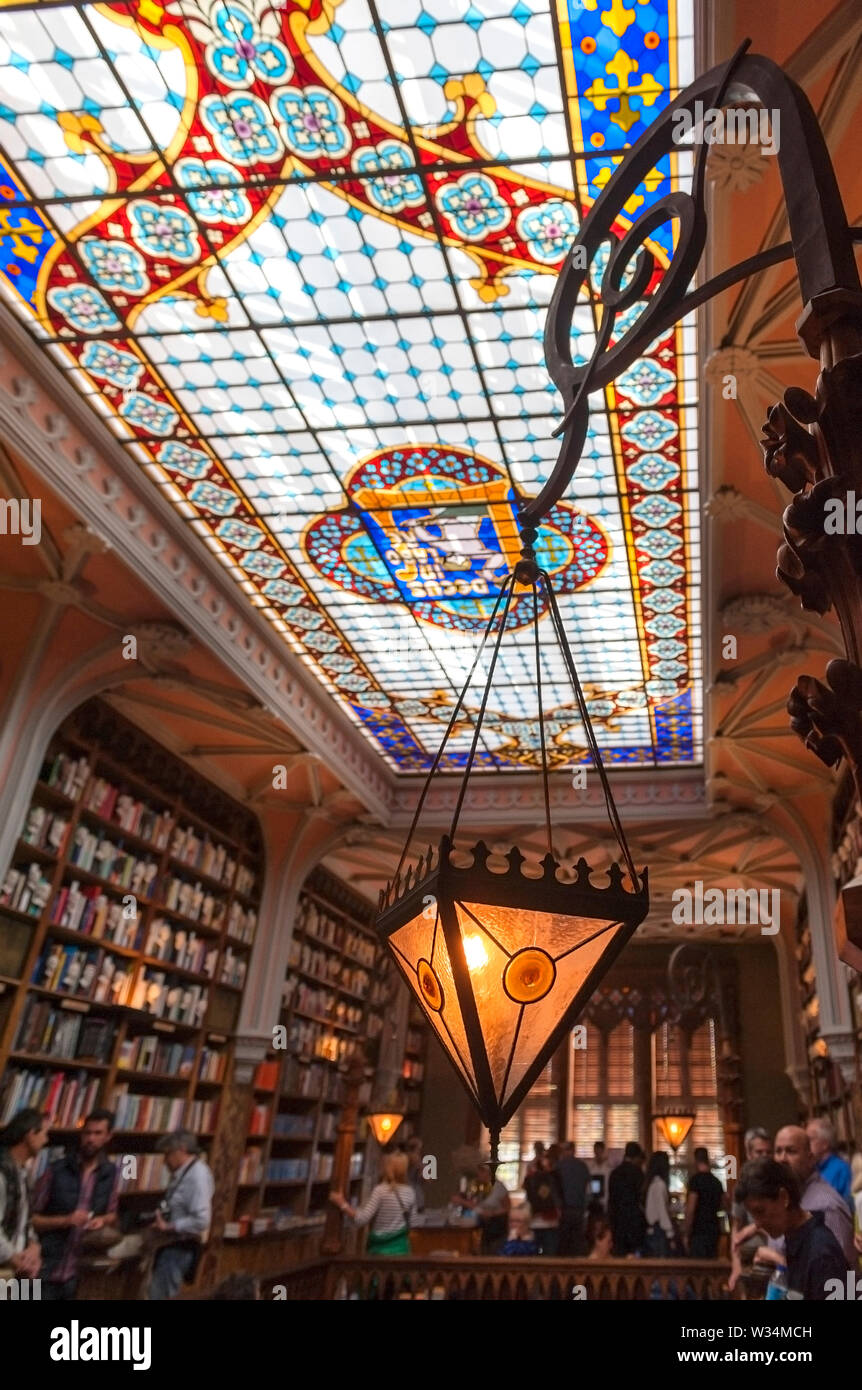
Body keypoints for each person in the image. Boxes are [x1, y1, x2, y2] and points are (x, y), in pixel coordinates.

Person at [32, 1108, 119, 1300]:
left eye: (98, 1134)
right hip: (46, 1268)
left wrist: (101, 1221)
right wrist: (67, 1220)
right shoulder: (57, 1170)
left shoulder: (110, 1173)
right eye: (87, 1133)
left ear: (108, 1137)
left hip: (80, 1270)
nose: (91, 1139)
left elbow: (113, 1214)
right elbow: (32, 1219)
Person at [735, 1159, 848, 1300]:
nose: (758, 1224)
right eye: (753, 1215)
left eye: (761, 1211)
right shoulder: (795, 1238)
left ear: (784, 1197)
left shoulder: (821, 1252)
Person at [770, 1124, 855, 1266]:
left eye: (791, 1151)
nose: (782, 1158)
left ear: (810, 1158)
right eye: (778, 1151)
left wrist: (774, 1257)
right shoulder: (785, 1198)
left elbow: (839, 1270)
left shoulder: (827, 1205)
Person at [147, 1130, 213, 1300]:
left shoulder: (197, 1176)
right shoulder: (184, 1174)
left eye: (167, 1153)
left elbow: (202, 1220)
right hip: (171, 1247)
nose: (164, 1161)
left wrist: (170, 1226)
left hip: (179, 1249)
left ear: (181, 1150)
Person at [331, 1151, 415, 1255]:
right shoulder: (410, 1192)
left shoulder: (381, 1191)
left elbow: (362, 1219)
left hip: (380, 1250)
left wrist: (342, 1203)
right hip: (401, 1249)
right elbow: (413, 1221)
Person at [0, 1108, 48, 1281]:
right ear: (30, 1135)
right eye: (43, 1133)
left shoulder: (25, 1173)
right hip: (6, 1271)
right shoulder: (3, 1173)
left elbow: (25, 1222)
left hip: (23, 1270)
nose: (46, 1140)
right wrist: (14, 1259)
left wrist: (35, 1247)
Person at [729, 1127, 773, 1291]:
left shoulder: (781, 1183)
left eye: (768, 1152)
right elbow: (736, 1230)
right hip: (749, 1259)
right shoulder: (742, 1186)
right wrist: (735, 1266)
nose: (764, 1157)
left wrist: (754, 1228)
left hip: (774, 1255)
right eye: (759, 1152)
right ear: (749, 1155)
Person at [454, 1162, 510, 1254]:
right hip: (485, 1226)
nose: (478, 1175)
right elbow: (478, 1206)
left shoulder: (498, 1187)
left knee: (494, 1252)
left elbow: (507, 1208)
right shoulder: (479, 1187)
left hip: (497, 1226)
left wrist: (494, 1213)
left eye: (480, 1172)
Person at [684, 1147, 725, 1258]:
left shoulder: (695, 1181)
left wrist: (686, 1233)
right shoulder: (717, 1182)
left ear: (696, 1160)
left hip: (698, 1231)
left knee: (697, 1268)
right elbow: (724, 1205)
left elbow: (691, 1209)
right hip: (713, 1229)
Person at [608, 1141, 646, 1256]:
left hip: (617, 1222)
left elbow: (611, 1200)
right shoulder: (638, 1173)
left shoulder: (614, 1173)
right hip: (634, 1223)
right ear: (636, 1157)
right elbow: (642, 1198)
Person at [805, 1117, 852, 1211]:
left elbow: (848, 1207)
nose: (805, 1145)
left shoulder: (842, 1170)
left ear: (825, 1144)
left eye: (809, 1140)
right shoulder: (810, 1167)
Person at [523, 1153, 563, 1255]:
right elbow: (558, 1199)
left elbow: (529, 1198)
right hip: (551, 1221)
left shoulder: (529, 1180)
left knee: (533, 1257)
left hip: (535, 1221)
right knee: (549, 1257)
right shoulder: (554, 1178)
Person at [556, 1141, 590, 1255]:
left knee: (564, 1243)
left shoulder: (559, 1166)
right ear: (574, 1150)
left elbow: (555, 1189)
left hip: (564, 1210)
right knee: (577, 1242)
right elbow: (588, 1190)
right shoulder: (582, 1166)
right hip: (579, 1209)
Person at [645, 1151, 675, 1256]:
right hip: (660, 1233)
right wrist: (670, 1234)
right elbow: (662, 1212)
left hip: (653, 1230)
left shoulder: (652, 1184)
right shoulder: (660, 1185)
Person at [588, 1140, 613, 1210]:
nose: (597, 1153)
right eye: (596, 1150)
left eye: (599, 1150)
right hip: (592, 1200)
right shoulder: (589, 1166)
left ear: (603, 1151)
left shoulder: (609, 1167)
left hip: (605, 1200)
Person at [405, 1136, 425, 1214]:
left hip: (413, 1194)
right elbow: (426, 1178)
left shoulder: (402, 1158)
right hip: (412, 1195)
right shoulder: (415, 1159)